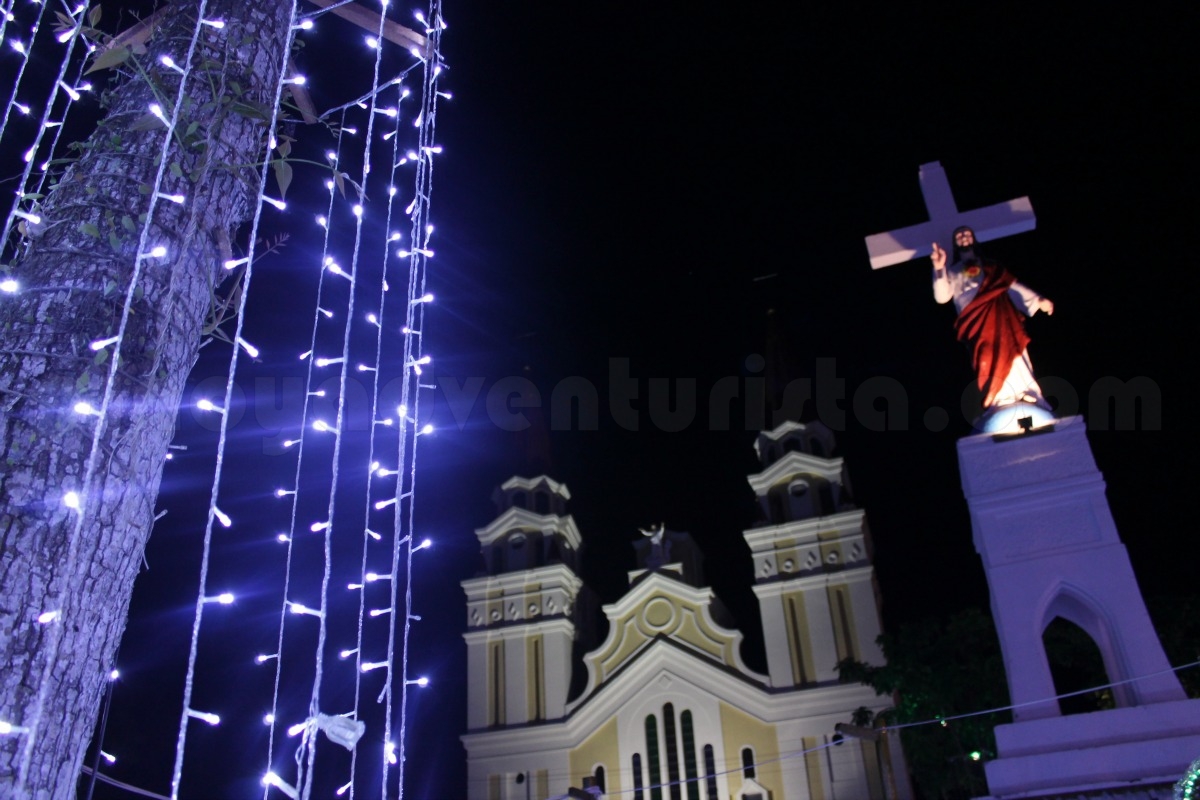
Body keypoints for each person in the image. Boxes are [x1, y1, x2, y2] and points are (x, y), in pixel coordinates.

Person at [931, 226, 1054, 409]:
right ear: (955, 243)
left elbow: (1012, 285)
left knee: (1013, 348)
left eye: (967, 234)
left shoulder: (991, 266)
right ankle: (997, 395)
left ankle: (1026, 392)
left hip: (999, 314)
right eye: (959, 236)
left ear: (973, 238)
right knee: (985, 355)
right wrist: (939, 268)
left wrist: (1038, 299)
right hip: (975, 321)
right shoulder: (953, 270)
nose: (964, 237)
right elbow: (942, 297)